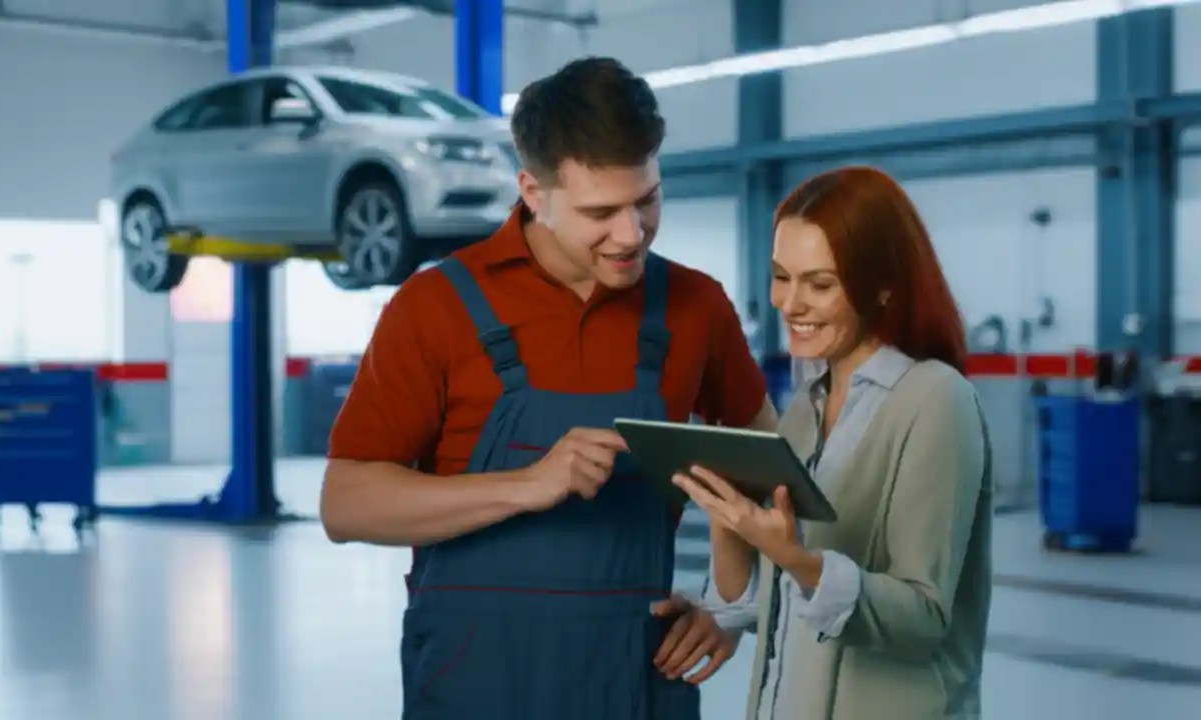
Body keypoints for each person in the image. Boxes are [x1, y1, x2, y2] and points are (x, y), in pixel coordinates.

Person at [319, 56, 779, 720]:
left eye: (647, 200)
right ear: (533, 192)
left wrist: (733, 605)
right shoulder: (436, 307)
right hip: (475, 683)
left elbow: (762, 461)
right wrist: (526, 485)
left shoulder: (694, 306)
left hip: (634, 681)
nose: (632, 234)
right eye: (601, 211)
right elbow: (346, 503)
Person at [674, 166, 994, 720]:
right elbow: (755, 605)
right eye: (781, 276)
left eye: (819, 284)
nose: (789, 303)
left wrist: (796, 559)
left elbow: (923, 617)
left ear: (884, 287)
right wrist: (728, 519)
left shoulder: (935, 401)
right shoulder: (803, 411)